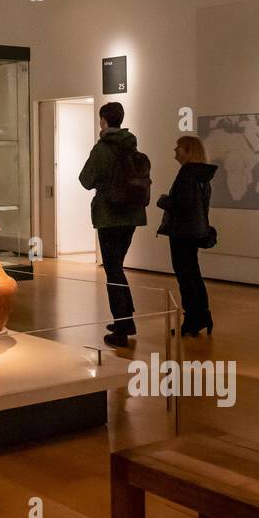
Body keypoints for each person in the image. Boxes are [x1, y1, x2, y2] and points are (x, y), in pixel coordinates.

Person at [79, 102, 148, 347]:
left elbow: (85, 180)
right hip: (131, 215)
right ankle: (126, 320)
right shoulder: (131, 145)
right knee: (116, 267)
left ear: (104, 121)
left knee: (113, 271)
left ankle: (121, 327)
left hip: (109, 216)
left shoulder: (102, 149)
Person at [156, 136, 218, 337]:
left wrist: (163, 200)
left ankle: (192, 319)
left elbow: (183, 205)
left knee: (186, 277)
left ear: (189, 151)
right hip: (194, 231)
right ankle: (202, 316)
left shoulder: (187, 174)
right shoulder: (201, 176)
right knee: (193, 275)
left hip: (182, 233)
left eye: (179, 148)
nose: (175, 151)